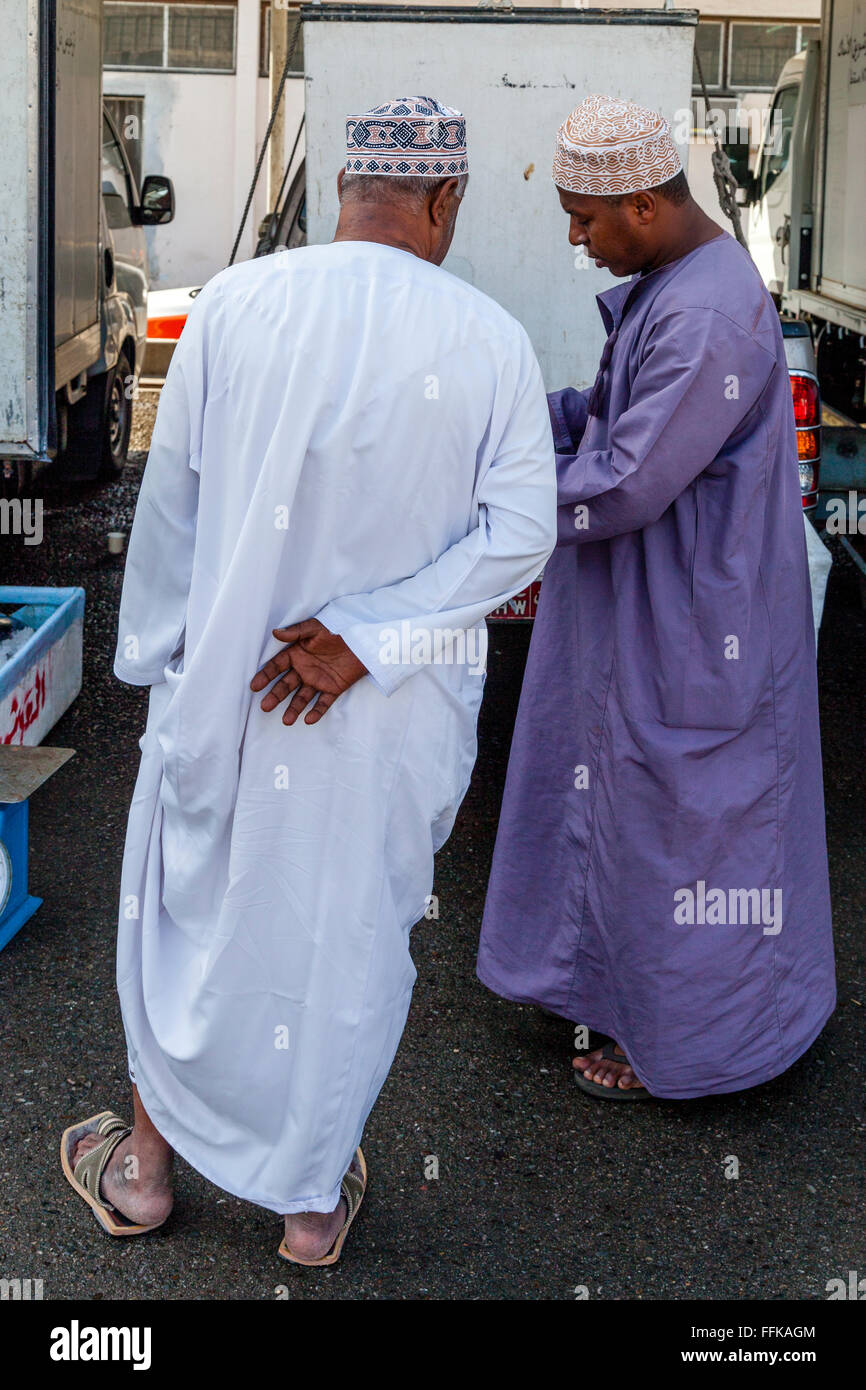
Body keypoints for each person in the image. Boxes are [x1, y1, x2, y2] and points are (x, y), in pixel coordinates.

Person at [61, 97, 556, 1262]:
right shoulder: (489, 338)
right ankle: (307, 1207)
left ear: (343, 188)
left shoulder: (231, 306)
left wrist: (162, 673)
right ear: (445, 201)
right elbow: (521, 532)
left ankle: (143, 1172)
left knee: (193, 924)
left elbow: (167, 511)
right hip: (383, 721)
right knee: (342, 942)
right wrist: (368, 637)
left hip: (228, 692)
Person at [477, 94, 835, 1100]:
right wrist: (504, 415)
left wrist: (488, 493)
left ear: (639, 204)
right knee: (627, 808)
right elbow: (602, 411)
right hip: (654, 608)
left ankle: (692, 1039)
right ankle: (606, 988)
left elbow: (627, 480)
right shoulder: (679, 282)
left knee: (688, 831)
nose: (573, 239)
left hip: (688, 618)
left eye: (583, 219)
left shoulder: (707, 309)